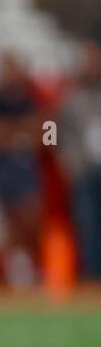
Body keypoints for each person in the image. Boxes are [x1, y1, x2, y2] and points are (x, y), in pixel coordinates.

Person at [0, 52, 44, 287]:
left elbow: (42, 135)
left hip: (25, 166)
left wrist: (15, 134)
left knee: (31, 215)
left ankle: (33, 265)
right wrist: (19, 134)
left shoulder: (30, 100)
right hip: (4, 167)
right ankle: (16, 269)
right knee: (9, 219)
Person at [56, 42, 101, 280]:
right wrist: (64, 159)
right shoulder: (69, 97)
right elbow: (51, 129)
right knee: (88, 228)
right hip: (83, 170)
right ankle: (92, 280)